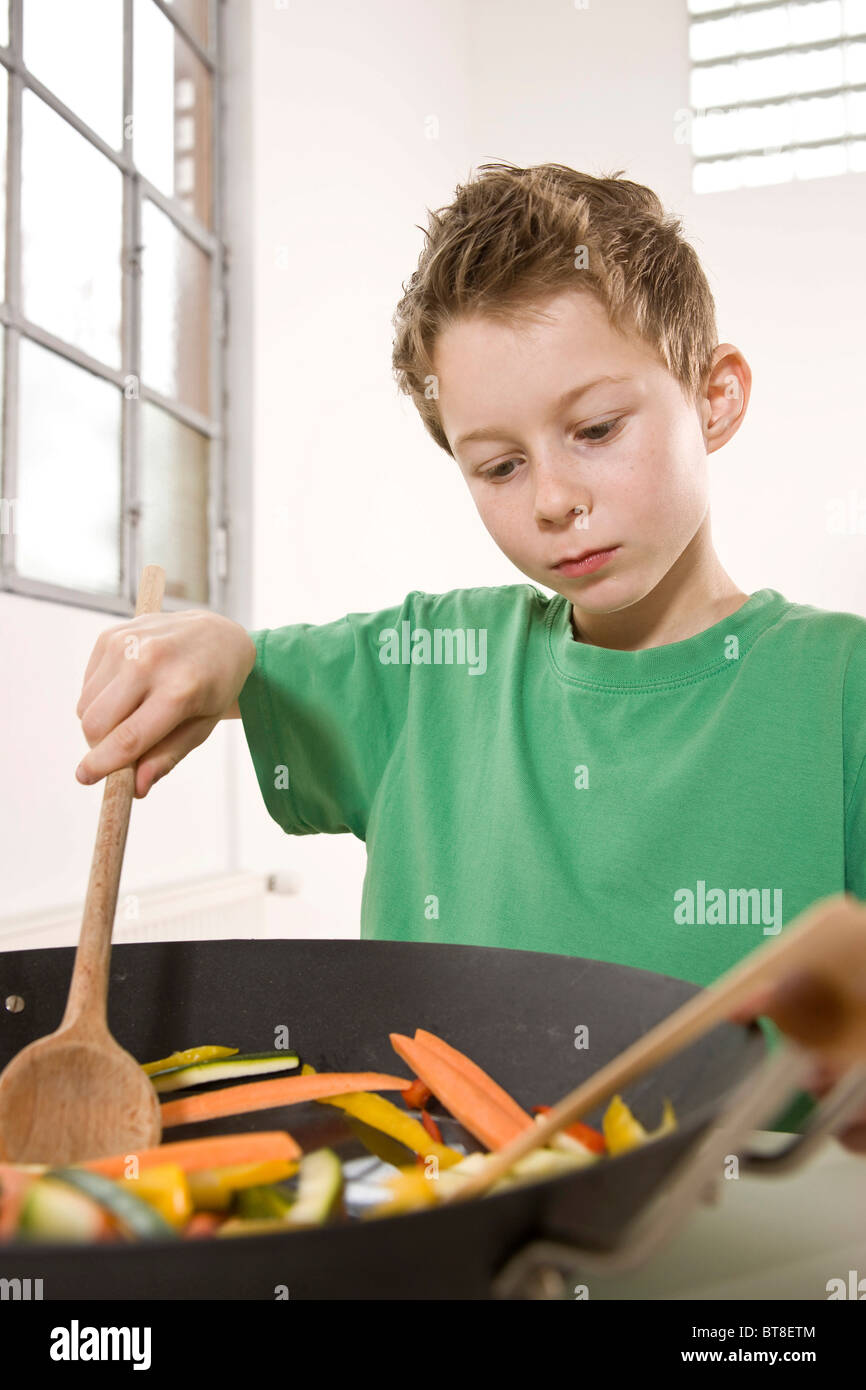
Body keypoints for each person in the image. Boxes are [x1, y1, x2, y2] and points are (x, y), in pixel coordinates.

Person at [74, 162, 866, 1152]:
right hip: (439, 1217)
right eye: (497, 464)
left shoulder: (842, 686)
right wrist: (211, 643)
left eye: (593, 429)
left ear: (713, 397)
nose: (549, 498)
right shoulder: (428, 665)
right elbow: (245, 666)